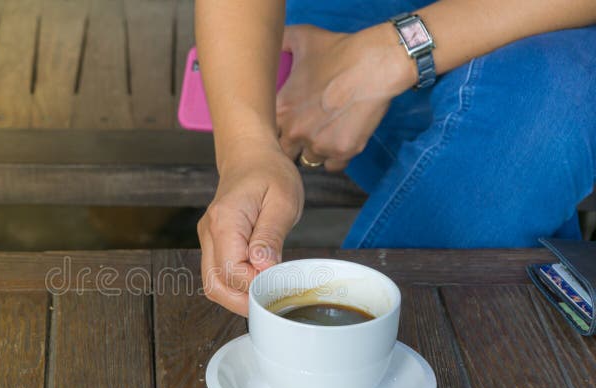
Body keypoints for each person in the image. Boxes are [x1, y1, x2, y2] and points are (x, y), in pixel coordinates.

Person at [195, 0, 596, 316]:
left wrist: (394, 52)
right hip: (344, 26)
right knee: (519, 153)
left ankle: (341, 363)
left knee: (544, 113)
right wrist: (248, 151)